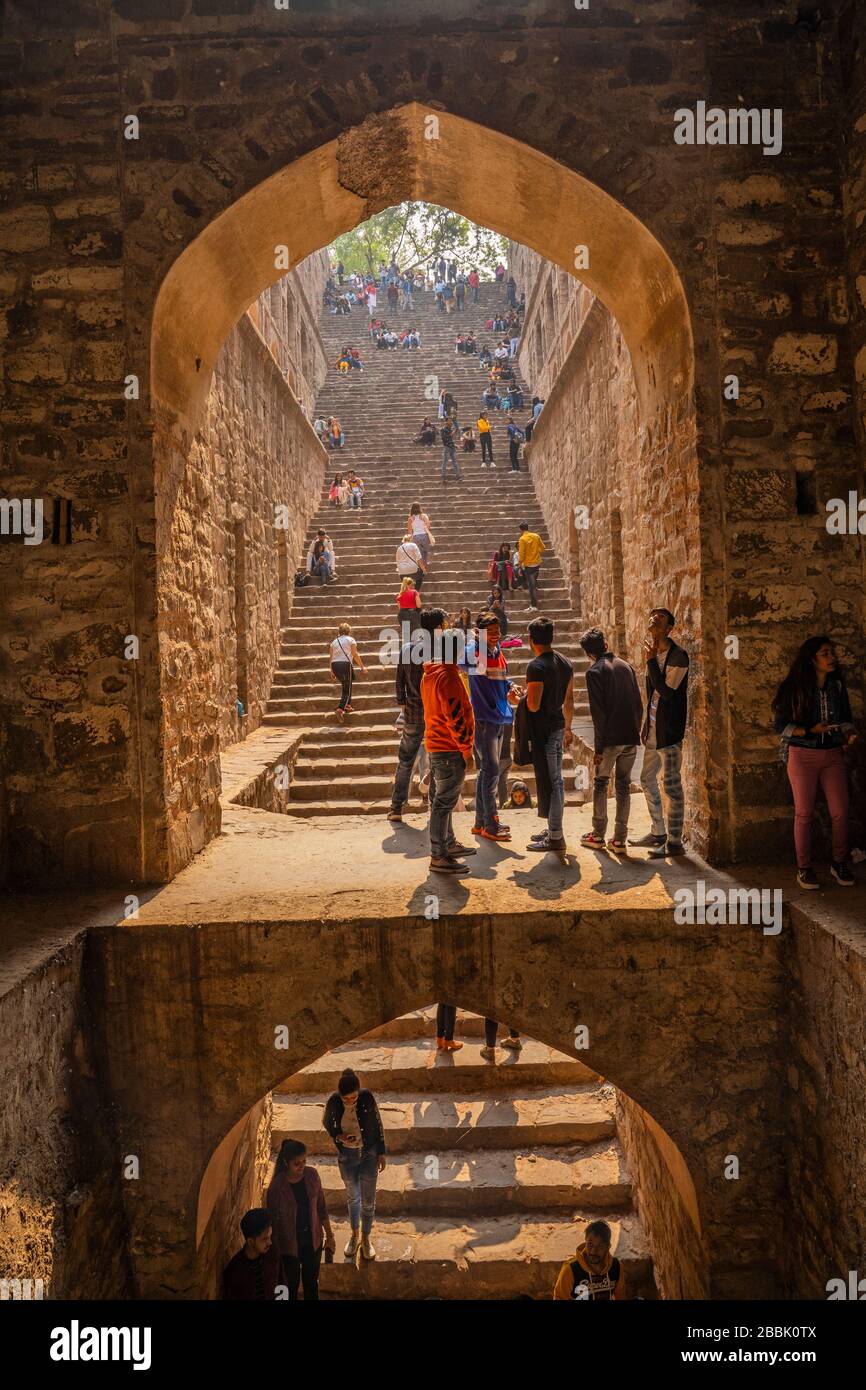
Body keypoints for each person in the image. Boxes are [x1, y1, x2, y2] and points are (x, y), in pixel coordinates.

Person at [771, 634, 857, 889]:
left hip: (832, 755)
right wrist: (809, 731)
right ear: (812, 659)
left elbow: (846, 719)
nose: (832, 658)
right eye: (825, 653)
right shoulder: (793, 688)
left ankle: (839, 862)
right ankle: (804, 868)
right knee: (804, 813)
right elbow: (780, 726)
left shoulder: (837, 687)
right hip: (802, 755)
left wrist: (850, 733)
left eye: (832, 653)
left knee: (840, 811)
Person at [578, 627, 643, 853]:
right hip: (630, 737)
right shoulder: (626, 666)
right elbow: (638, 703)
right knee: (623, 785)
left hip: (610, 738)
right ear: (605, 645)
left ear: (588, 654)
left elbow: (599, 713)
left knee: (601, 783)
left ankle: (597, 834)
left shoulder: (594, 672)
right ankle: (619, 839)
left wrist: (598, 747)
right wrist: (637, 731)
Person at [420, 616, 477, 872]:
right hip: (449, 747)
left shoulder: (430, 675)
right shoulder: (449, 677)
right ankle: (439, 855)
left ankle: (448, 844)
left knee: (440, 799)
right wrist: (466, 750)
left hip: (435, 744)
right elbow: (455, 716)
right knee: (444, 802)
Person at [633, 608, 690, 858]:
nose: (654, 618)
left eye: (661, 617)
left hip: (670, 732)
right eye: (653, 615)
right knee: (646, 779)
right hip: (655, 728)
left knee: (672, 786)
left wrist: (650, 660)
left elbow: (666, 692)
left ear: (669, 629)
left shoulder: (679, 656)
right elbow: (652, 694)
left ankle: (675, 843)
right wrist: (647, 722)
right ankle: (658, 831)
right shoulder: (653, 653)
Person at [463, 612, 522, 842]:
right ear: (479, 632)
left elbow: (497, 678)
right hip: (485, 718)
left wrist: (512, 686)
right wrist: (475, 641)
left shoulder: (496, 651)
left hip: (498, 716)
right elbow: (466, 664)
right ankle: (491, 824)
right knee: (491, 772)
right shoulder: (474, 651)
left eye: (498, 631)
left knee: (486, 772)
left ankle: (480, 822)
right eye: (491, 631)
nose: (496, 635)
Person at [323, 1068, 387, 1261]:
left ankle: (366, 1238)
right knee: (353, 1198)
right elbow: (327, 1122)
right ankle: (354, 1234)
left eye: (353, 1098)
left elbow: (377, 1123)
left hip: (368, 1153)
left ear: (358, 1091)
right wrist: (338, 1136)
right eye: (346, 1099)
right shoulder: (334, 1101)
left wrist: (381, 1152)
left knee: (368, 1200)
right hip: (348, 1157)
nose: (350, 1102)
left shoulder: (367, 1098)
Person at [524, 616, 574, 852]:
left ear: (531, 639)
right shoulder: (564, 662)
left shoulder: (536, 667)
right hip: (558, 726)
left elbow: (533, 705)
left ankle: (555, 836)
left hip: (544, 731)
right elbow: (569, 699)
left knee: (553, 782)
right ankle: (554, 828)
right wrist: (568, 727)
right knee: (556, 781)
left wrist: (519, 698)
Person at [266, 1139, 334, 1301]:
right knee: (289, 1287)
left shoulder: (312, 1175)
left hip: (313, 1241)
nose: (302, 1166)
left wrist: (330, 1236)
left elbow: (321, 1207)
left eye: (304, 1161)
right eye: (297, 1164)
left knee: (311, 1284)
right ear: (286, 1163)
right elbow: (273, 1222)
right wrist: (274, 1251)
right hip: (288, 1247)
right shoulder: (277, 1188)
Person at [553, 1220, 624, 1301]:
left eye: (600, 1246)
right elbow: (559, 1297)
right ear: (585, 1240)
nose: (593, 1251)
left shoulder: (616, 1267)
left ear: (608, 1247)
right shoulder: (571, 1269)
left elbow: (620, 1295)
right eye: (590, 1244)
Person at [222, 1207, 281, 1300]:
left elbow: (282, 1285)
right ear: (250, 1242)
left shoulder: (272, 1255)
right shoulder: (235, 1271)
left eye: (270, 1236)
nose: (270, 1242)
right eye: (264, 1239)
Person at [330, 622, 366, 720]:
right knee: (347, 687)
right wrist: (362, 666)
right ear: (349, 631)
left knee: (346, 684)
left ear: (339, 631)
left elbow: (331, 657)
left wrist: (331, 671)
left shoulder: (334, 641)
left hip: (335, 665)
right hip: (345, 665)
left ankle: (347, 705)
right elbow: (355, 654)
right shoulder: (351, 640)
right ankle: (340, 709)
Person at [518, 522, 546, 610]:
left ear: (521, 530)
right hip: (537, 563)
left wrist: (519, 565)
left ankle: (534, 606)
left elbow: (521, 553)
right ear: (527, 527)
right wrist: (536, 553)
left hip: (528, 565)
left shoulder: (522, 539)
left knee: (531, 586)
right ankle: (533, 605)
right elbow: (543, 548)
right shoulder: (536, 536)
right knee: (533, 584)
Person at [407, 501, 435, 572]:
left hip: (415, 537)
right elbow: (428, 526)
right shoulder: (424, 516)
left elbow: (410, 531)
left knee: (418, 553)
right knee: (425, 551)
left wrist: (410, 540)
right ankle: (425, 565)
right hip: (424, 536)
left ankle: (421, 567)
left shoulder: (410, 518)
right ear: (420, 508)